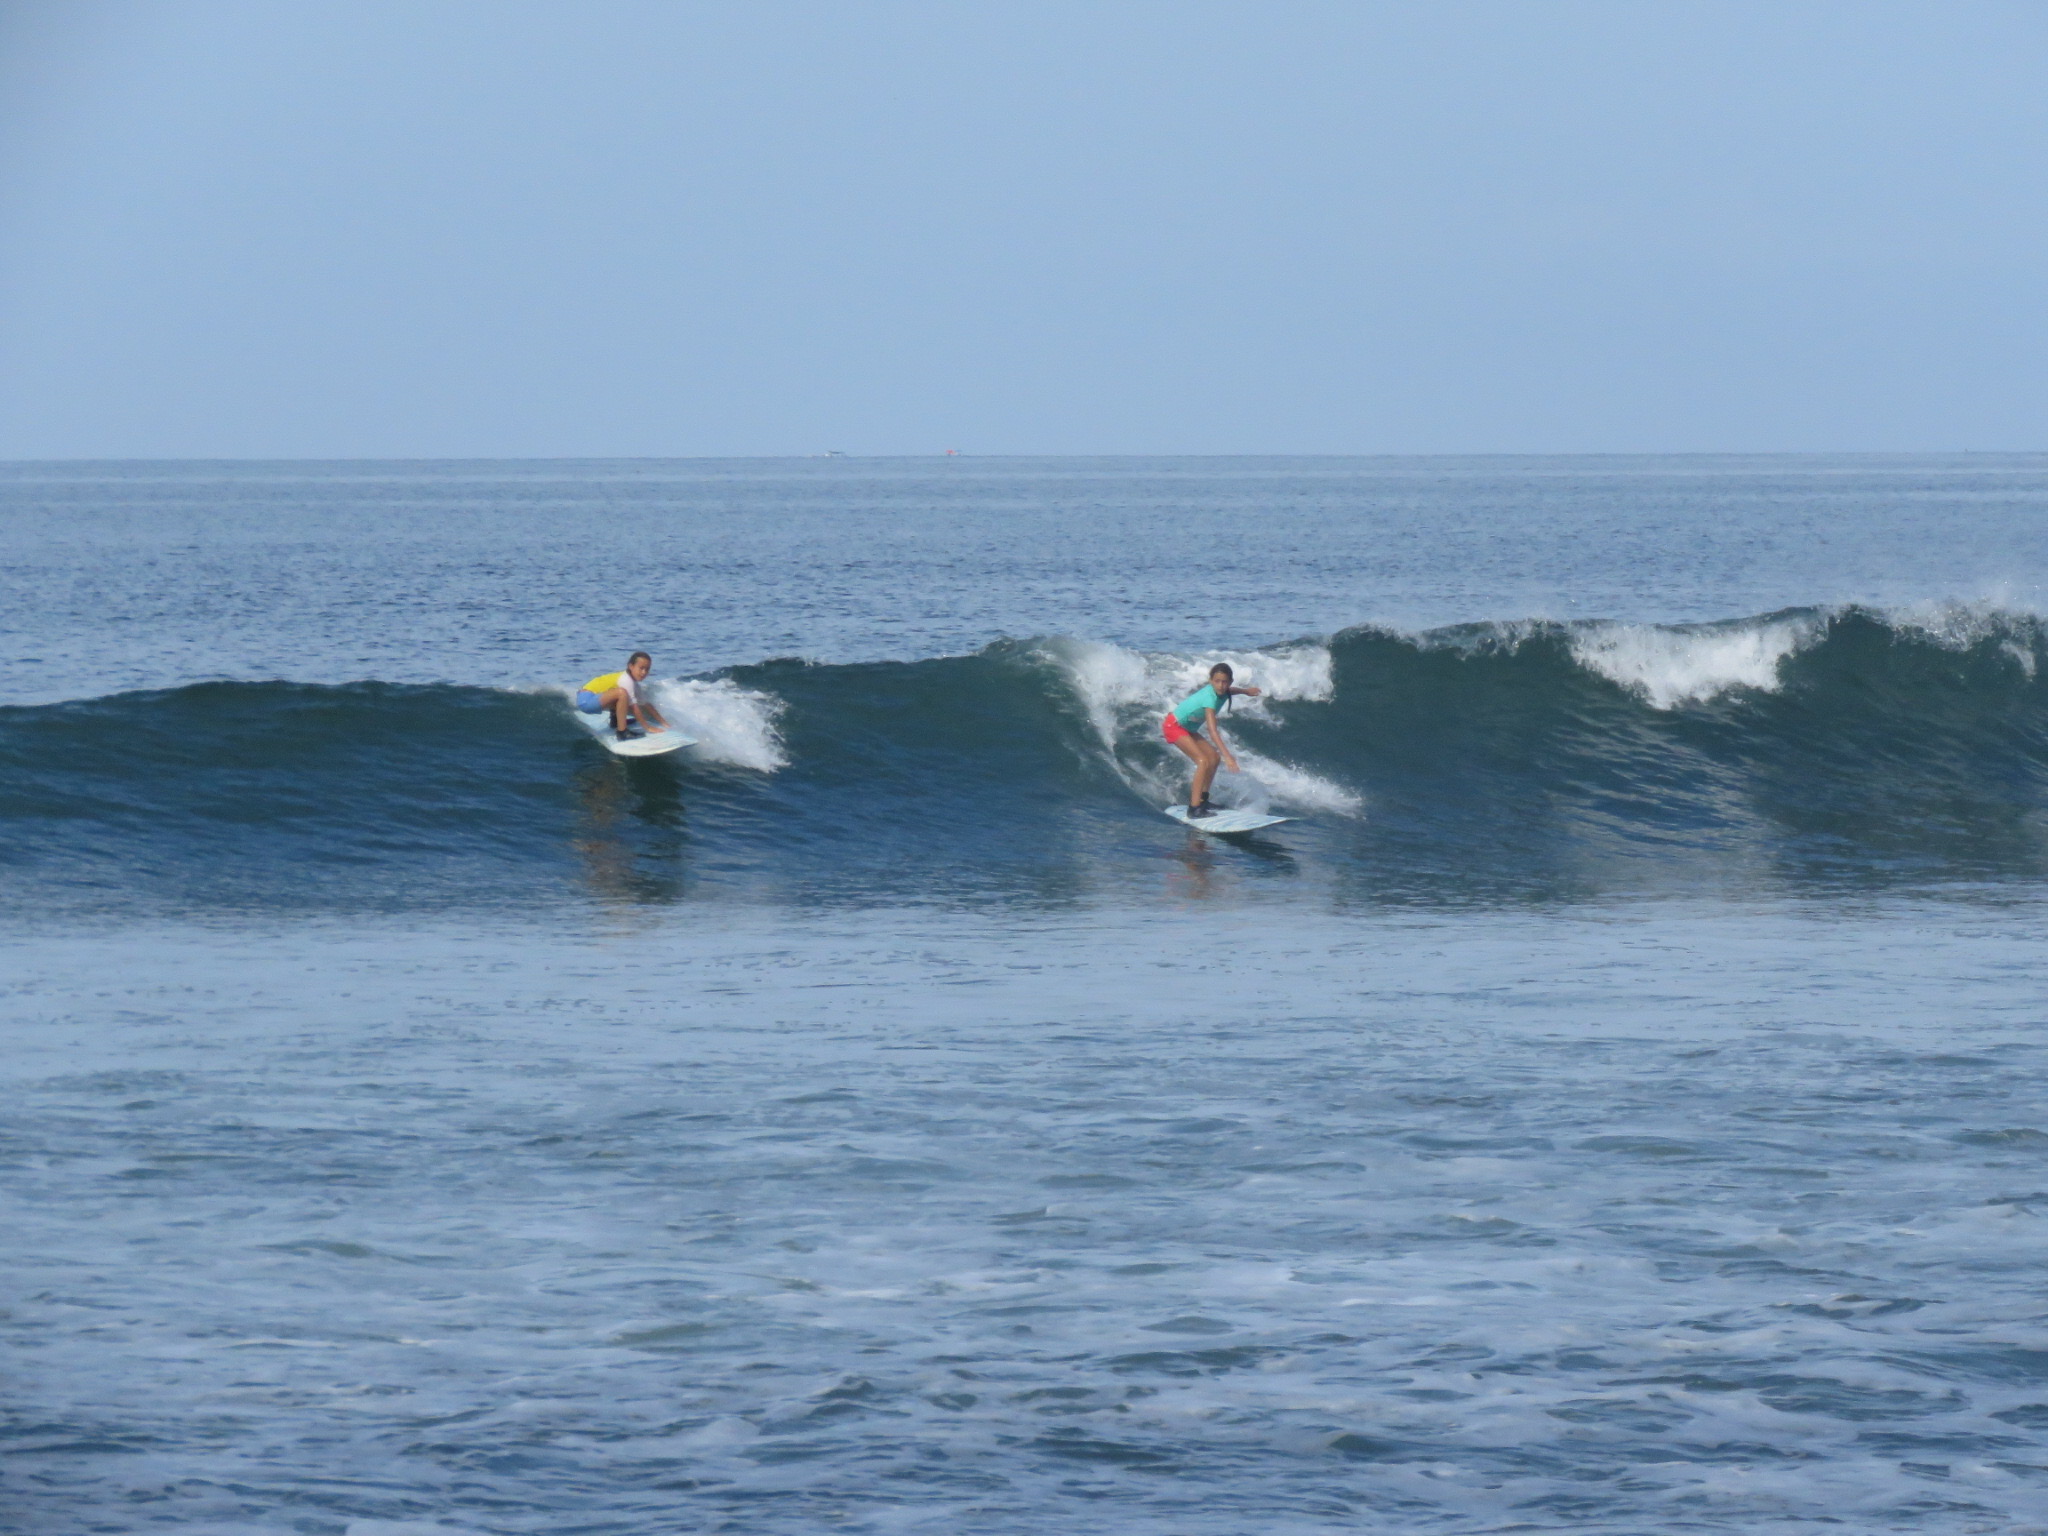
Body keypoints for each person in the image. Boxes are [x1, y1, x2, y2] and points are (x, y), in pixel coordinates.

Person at [1162, 662, 1262, 818]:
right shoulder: (1209, 699)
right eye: (1217, 681)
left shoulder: (1224, 690)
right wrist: (1228, 757)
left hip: (1188, 728)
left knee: (1214, 758)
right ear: (1210, 681)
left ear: (1230, 681)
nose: (1221, 686)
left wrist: (1246, 691)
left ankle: (1203, 801)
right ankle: (1194, 808)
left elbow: (1230, 691)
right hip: (1174, 725)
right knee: (1202, 761)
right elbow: (1212, 731)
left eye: (1225, 682)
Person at [577, 651, 670, 740]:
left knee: (623, 696)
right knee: (622, 693)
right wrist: (648, 727)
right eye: (641, 668)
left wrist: (664, 723)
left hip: (591, 698)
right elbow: (634, 707)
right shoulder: (626, 680)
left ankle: (616, 722)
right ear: (631, 666)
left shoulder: (634, 683)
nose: (644, 672)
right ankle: (622, 733)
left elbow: (646, 704)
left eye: (647, 669)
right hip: (586, 700)